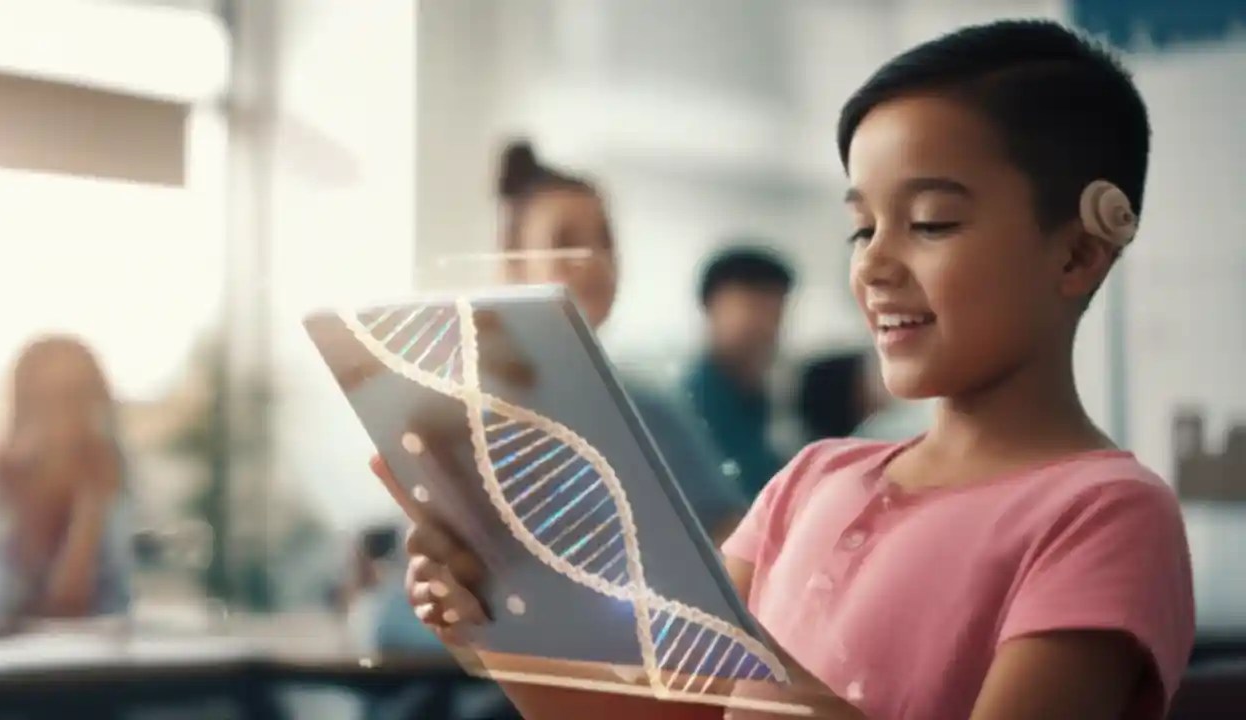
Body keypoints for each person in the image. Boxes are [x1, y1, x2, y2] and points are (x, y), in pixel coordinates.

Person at [381, 21, 1197, 720]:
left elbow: (740, 695)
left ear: (1078, 254)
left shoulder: (1105, 514)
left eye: (930, 223)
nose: (872, 264)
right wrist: (503, 624)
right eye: (862, 228)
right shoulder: (809, 480)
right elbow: (661, 715)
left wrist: (769, 691)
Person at [490, 140, 746, 541]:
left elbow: (734, 539)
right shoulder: (478, 413)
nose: (592, 260)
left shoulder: (652, 412)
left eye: (604, 241)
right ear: (513, 263)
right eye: (565, 242)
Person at [0, 336, 132, 630]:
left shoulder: (108, 487)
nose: (61, 417)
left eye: (74, 397)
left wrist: (89, 510)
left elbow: (100, 613)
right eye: (43, 400)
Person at [684, 248, 795, 498]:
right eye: (752, 308)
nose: (765, 326)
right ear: (709, 307)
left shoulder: (762, 403)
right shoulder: (688, 408)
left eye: (775, 312)